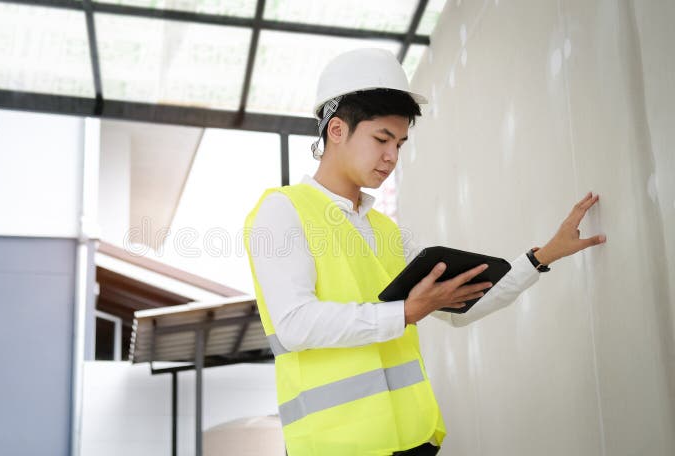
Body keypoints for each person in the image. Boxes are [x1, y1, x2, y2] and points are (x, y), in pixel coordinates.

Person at [242, 48, 606, 456]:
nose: (392, 157)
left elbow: (461, 306)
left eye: (400, 143)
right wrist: (405, 313)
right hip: (336, 446)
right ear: (337, 130)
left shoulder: (385, 231)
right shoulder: (282, 211)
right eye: (381, 139)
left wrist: (542, 257)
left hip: (413, 441)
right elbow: (295, 324)